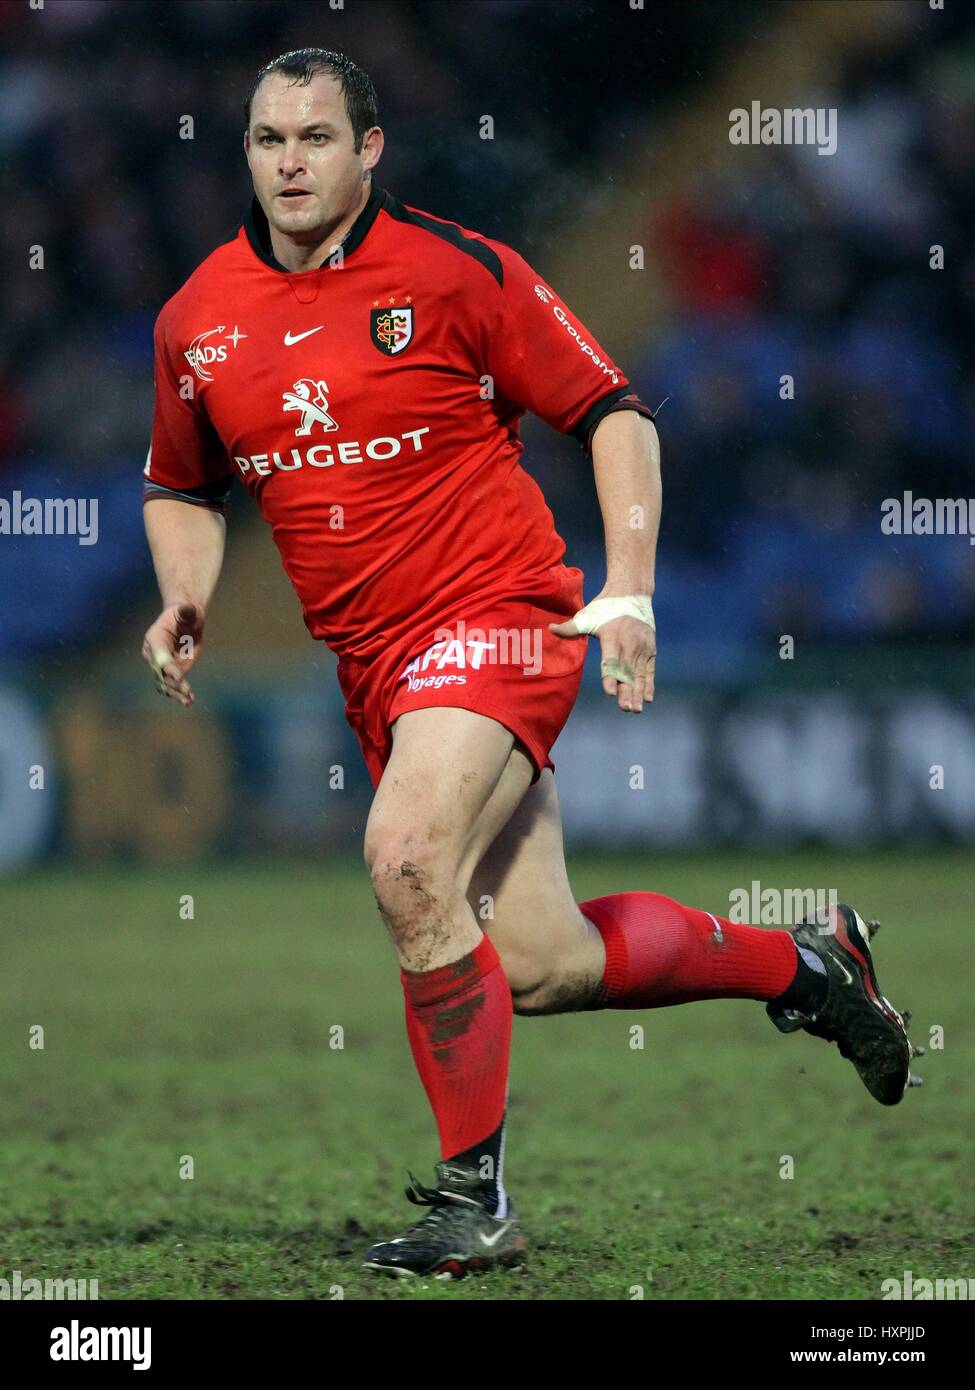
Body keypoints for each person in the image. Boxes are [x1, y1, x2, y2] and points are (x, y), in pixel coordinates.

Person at [142, 48, 921, 1281]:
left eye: (317, 138)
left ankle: (474, 1204)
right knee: (547, 965)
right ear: (245, 151)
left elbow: (616, 413)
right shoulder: (195, 318)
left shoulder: (457, 271)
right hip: (378, 669)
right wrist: (184, 592)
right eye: (269, 139)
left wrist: (629, 589)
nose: (291, 162)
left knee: (406, 859)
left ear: (369, 148)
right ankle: (811, 963)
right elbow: (183, 485)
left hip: (498, 616)